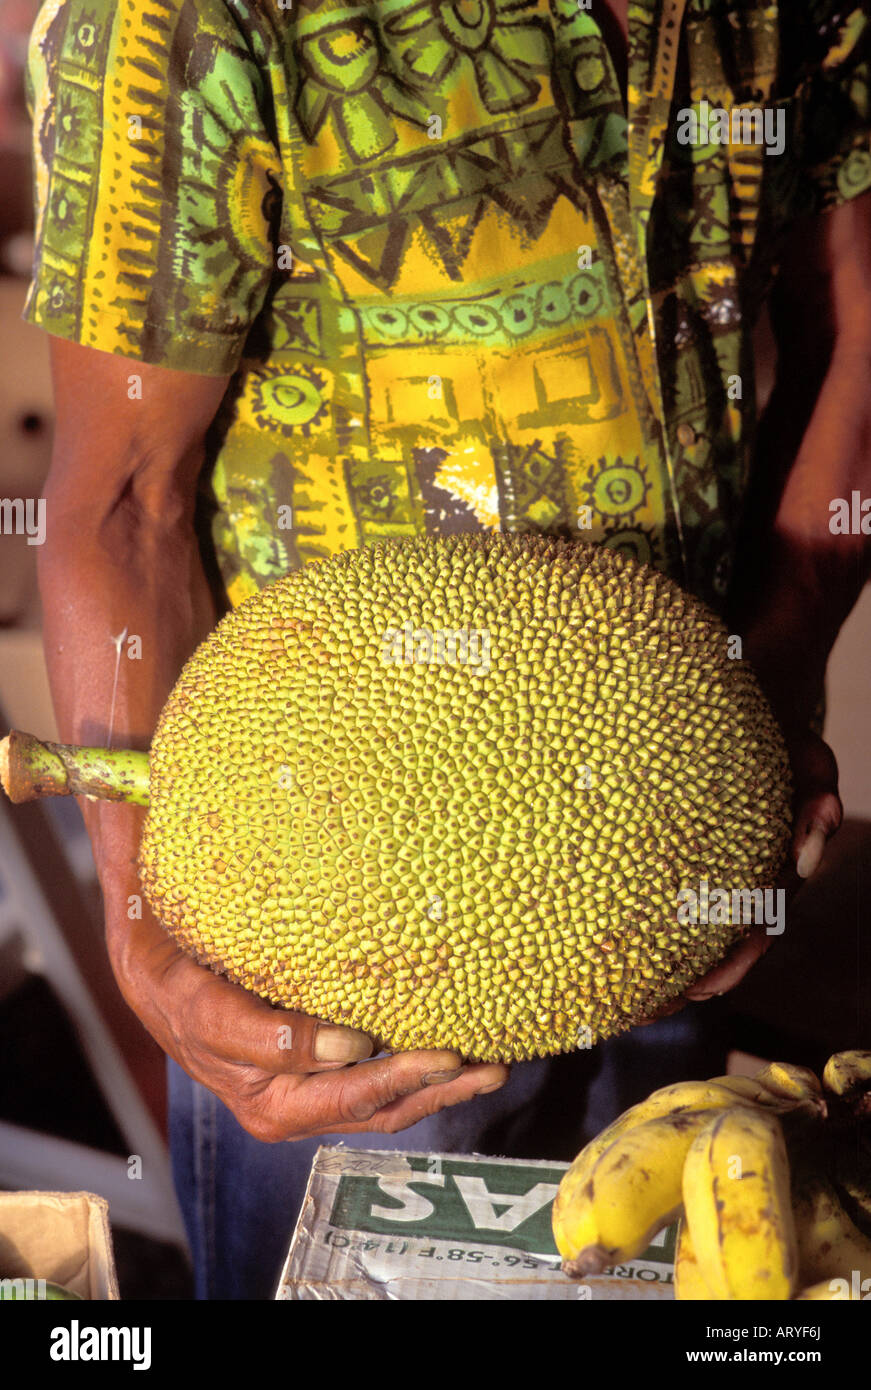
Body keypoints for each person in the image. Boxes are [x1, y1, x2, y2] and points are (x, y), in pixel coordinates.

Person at [21, 0, 870, 1298]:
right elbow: (123, 493)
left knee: (658, 1269)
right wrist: (146, 926)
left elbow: (853, 328)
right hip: (328, 906)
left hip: (666, 848)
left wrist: (784, 661)